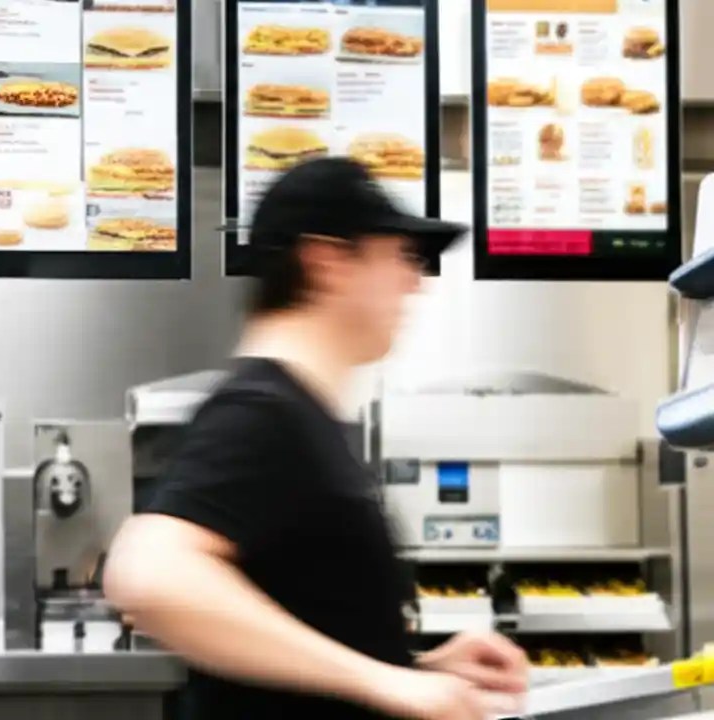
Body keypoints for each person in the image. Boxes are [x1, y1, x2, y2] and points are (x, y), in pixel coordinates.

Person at [103, 158, 528, 720]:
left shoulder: (304, 418)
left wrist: (419, 668)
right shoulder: (261, 413)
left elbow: (300, 648)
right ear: (327, 262)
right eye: (399, 255)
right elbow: (148, 574)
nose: (415, 282)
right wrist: (382, 681)